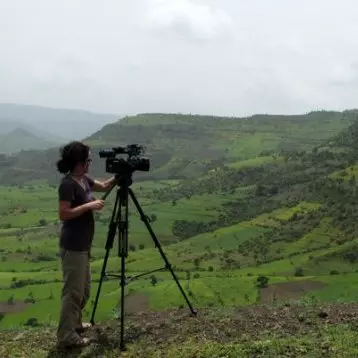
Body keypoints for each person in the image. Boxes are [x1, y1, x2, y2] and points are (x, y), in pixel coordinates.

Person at [55, 141, 116, 348]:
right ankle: (66, 335)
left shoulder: (84, 180)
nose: (91, 163)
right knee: (72, 291)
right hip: (72, 246)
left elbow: (105, 186)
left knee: (84, 290)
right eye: (88, 160)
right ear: (79, 162)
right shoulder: (68, 184)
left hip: (83, 245)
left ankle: (76, 324)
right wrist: (89, 205)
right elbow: (63, 214)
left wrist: (121, 175)